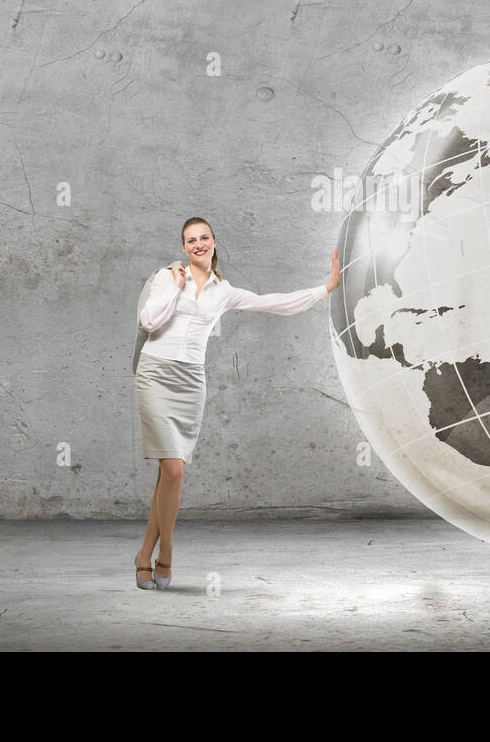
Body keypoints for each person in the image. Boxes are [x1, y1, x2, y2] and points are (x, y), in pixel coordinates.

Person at [133, 216, 340, 590]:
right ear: (184, 247)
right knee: (173, 470)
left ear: (213, 242)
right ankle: (167, 553)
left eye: (204, 238)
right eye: (191, 240)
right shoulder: (168, 277)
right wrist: (175, 287)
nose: (199, 244)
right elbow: (149, 322)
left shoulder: (222, 291)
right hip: (156, 374)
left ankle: (145, 553)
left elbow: (272, 303)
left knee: (170, 472)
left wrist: (325, 288)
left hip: (191, 382)